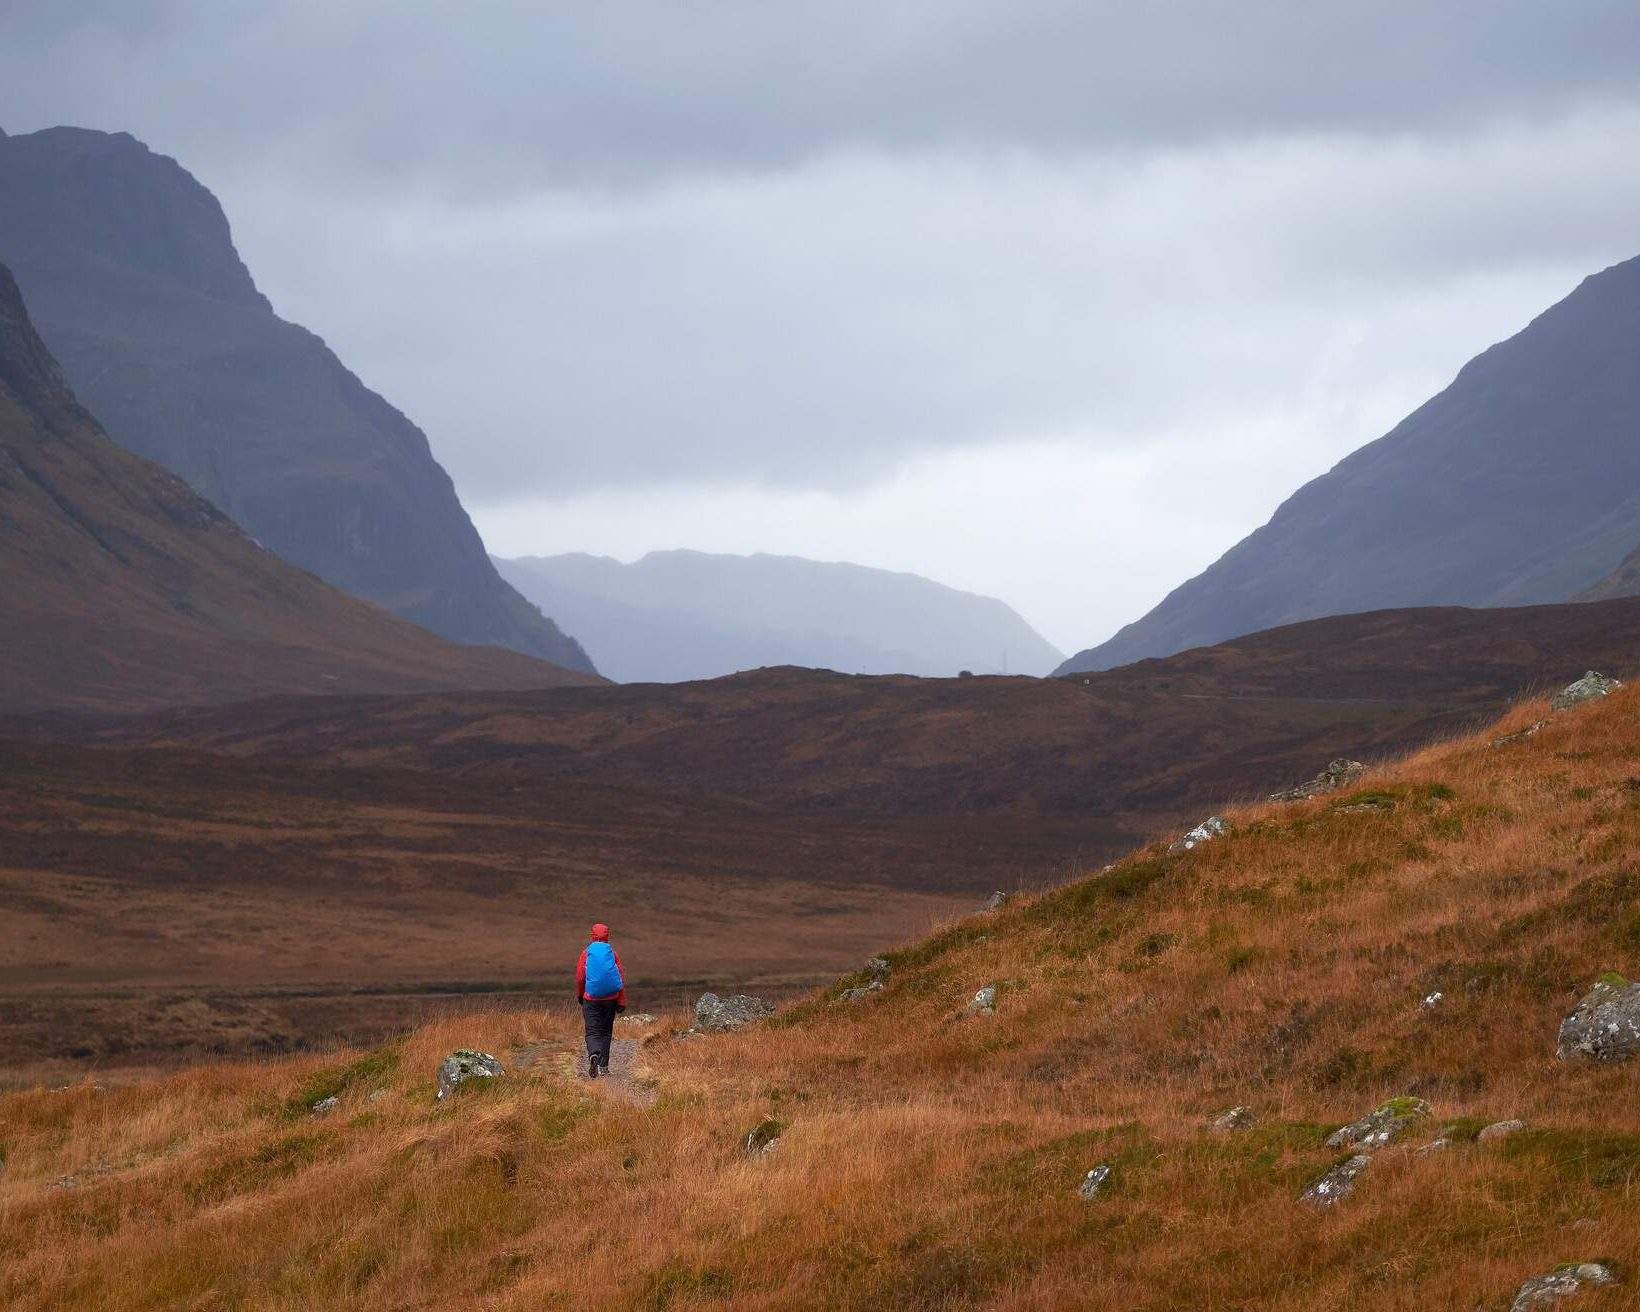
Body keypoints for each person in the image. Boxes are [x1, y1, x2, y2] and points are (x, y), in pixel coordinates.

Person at [576, 922, 626, 1078]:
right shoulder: (612, 954)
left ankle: (593, 1055)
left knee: (592, 1031)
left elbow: (580, 977)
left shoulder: (586, 953)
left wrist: (580, 995)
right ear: (607, 936)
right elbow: (619, 978)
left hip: (591, 999)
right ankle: (603, 1067)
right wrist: (621, 1001)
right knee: (605, 1032)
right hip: (610, 999)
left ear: (592, 936)